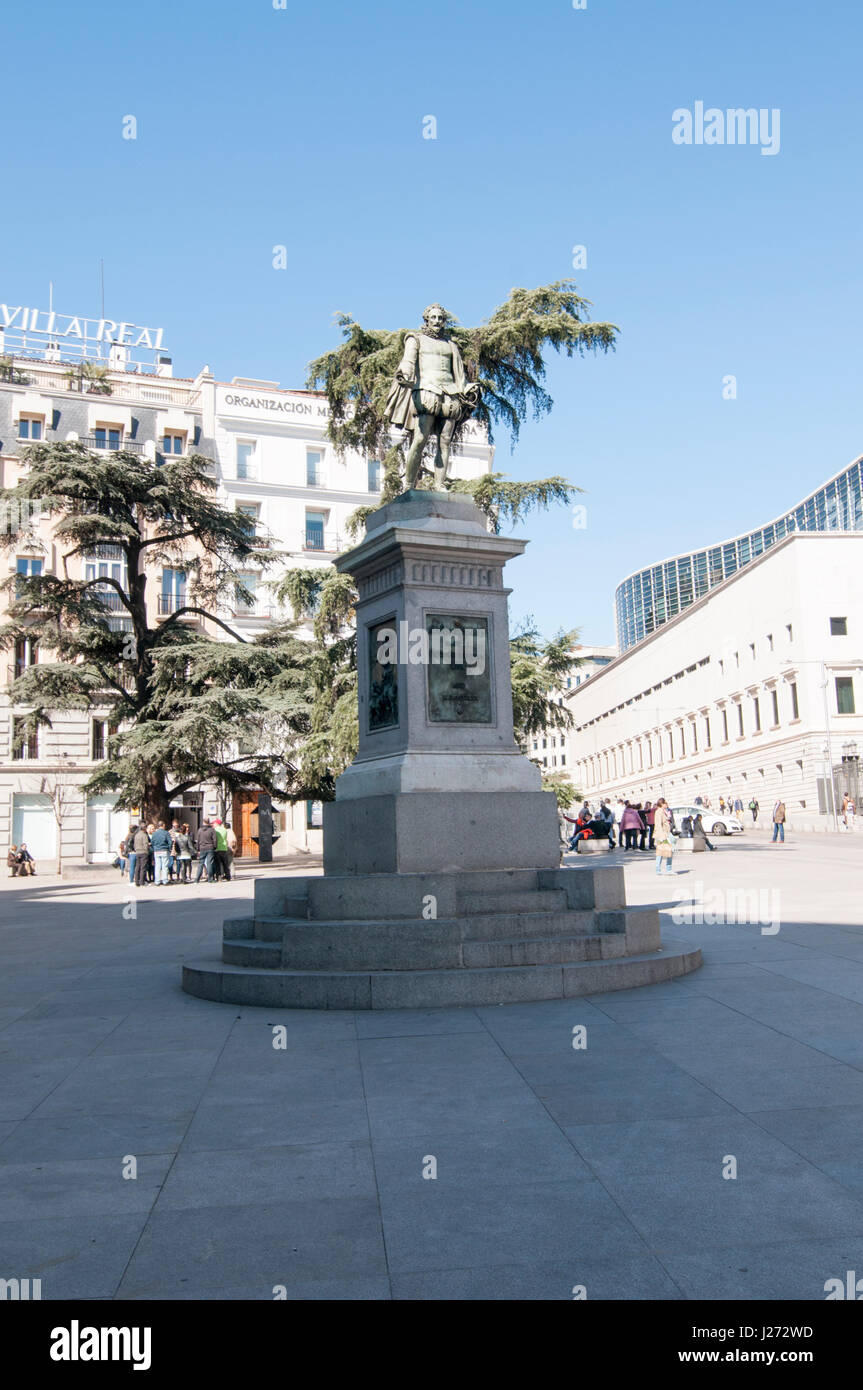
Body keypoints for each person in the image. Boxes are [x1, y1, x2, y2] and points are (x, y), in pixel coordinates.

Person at [653, 798, 676, 875]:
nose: (667, 804)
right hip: (662, 834)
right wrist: (662, 836)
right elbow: (658, 824)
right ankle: (664, 869)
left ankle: (661, 869)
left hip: (666, 833)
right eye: (665, 803)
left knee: (666, 851)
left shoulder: (663, 811)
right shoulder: (659, 812)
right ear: (662, 804)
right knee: (663, 851)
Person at [194, 819, 218, 884]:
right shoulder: (212, 830)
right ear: (209, 822)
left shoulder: (200, 830)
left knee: (200, 863)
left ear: (203, 822)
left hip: (202, 848)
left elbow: (198, 840)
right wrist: (215, 847)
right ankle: (210, 878)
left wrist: (198, 849)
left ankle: (197, 879)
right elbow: (215, 840)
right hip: (210, 847)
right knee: (209, 863)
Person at [150, 821, 173, 885]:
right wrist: (169, 848)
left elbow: (152, 843)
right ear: (163, 825)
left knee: (157, 866)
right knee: (164, 866)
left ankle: (157, 881)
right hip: (164, 850)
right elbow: (170, 842)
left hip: (157, 851)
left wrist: (154, 849)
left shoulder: (154, 833)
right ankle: (165, 880)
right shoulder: (166, 833)